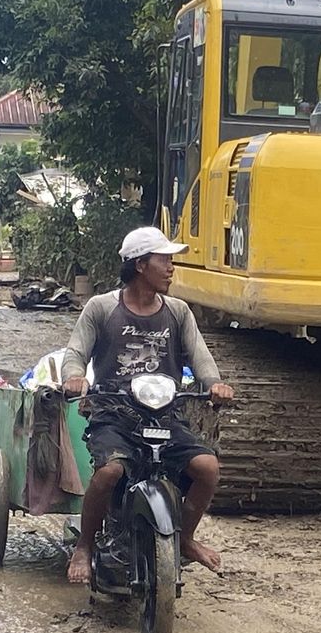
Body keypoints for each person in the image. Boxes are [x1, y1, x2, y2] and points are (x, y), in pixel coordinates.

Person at [61, 226, 234, 583]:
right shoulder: (102, 308)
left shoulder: (178, 312)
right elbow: (75, 353)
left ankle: (184, 538)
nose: (172, 268)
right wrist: (75, 377)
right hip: (115, 413)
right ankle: (85, 545)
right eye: (165, 260)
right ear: (141, 265)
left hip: (166, 414)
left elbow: (201, 360)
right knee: (109, 472)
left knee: (207, 468)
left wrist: (214, 383)